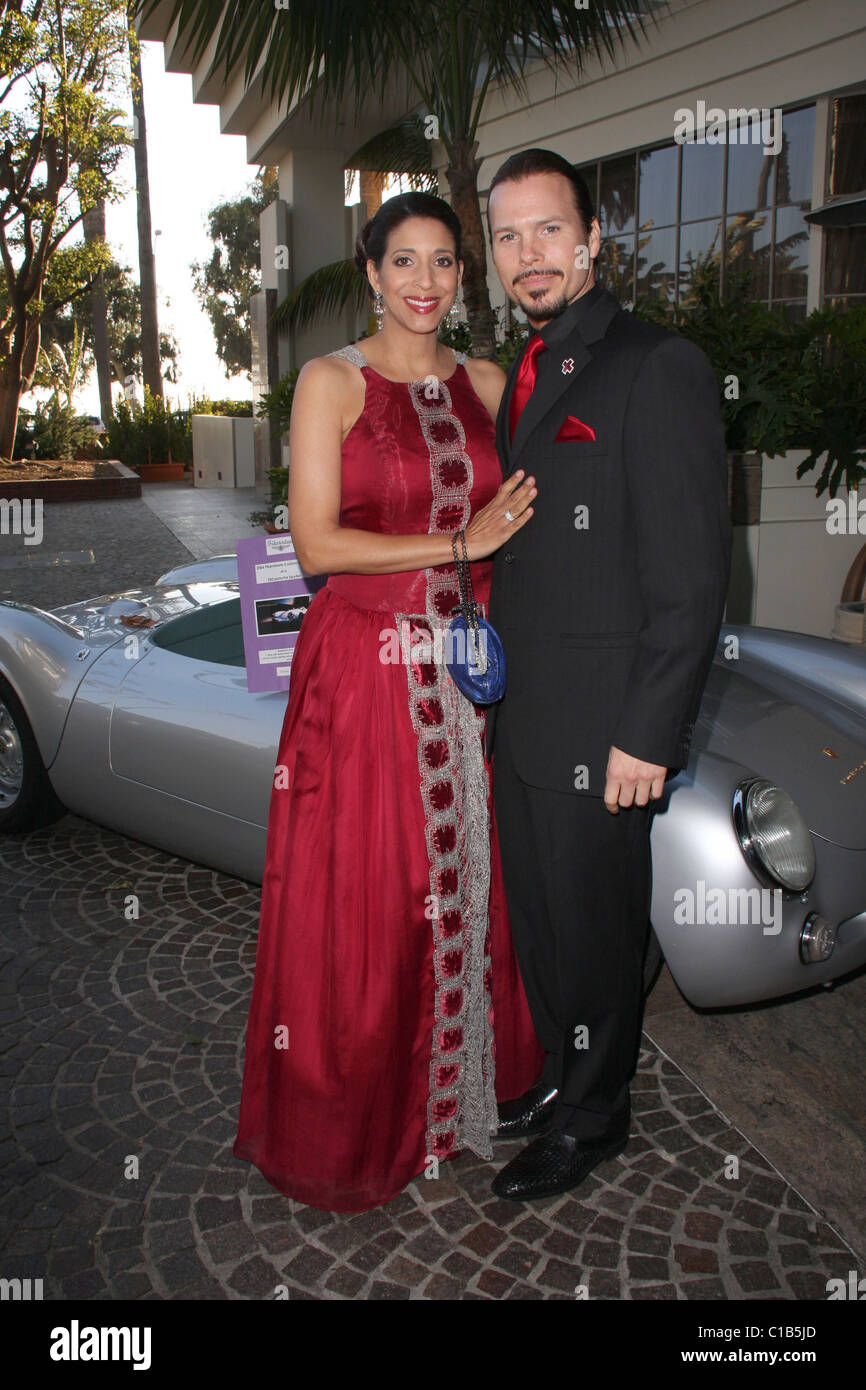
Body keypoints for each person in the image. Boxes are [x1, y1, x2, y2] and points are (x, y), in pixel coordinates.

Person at [233, 191, 544, 1212]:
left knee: (474, 881)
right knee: (370, 897)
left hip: (473, 673)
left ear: (464, 274)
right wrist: (463, 544)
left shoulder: (491, 381)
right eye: (402, 261)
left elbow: (546, 511)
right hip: (365, 670)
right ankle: (365, 1125)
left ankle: (461, 1103)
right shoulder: (328, 383)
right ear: (369, 271)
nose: (424, 282)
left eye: (445, 262)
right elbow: (316, 545)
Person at [483, 149, 732, 1201]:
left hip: (603, 733)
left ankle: (596, 1115)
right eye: (506, 236)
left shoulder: (653, 363)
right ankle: (559, 1076)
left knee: (594, 929)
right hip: (524, 714)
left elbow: (691, 580)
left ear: (590, 239)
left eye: (547, 230)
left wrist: (646, 732)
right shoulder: (527, 374)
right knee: (540, 922)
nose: (526, 254)